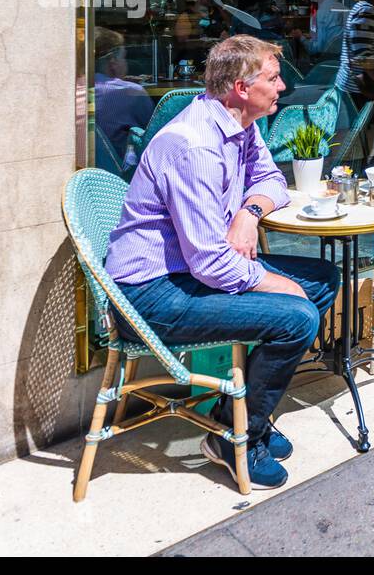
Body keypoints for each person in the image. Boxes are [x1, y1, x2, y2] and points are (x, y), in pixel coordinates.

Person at [104, 35, 340, 490]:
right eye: (273, 79)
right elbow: (212, 263)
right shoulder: (194, 146)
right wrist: (273, 282)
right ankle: (237, 437)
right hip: (152, 295)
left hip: (188, 275)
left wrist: (248, 216)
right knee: (296, 315)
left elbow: (272, 179)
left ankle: (234, 411)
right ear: (239, 87)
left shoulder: (241, 126)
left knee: (323, 279)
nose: (283, 88)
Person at [94, 27, 153, 170]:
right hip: (119, 176)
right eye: (123, 57)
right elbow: (152, 136)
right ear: (113, 61)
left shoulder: (71, 89)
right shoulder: (131, 92)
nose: (125, 62)